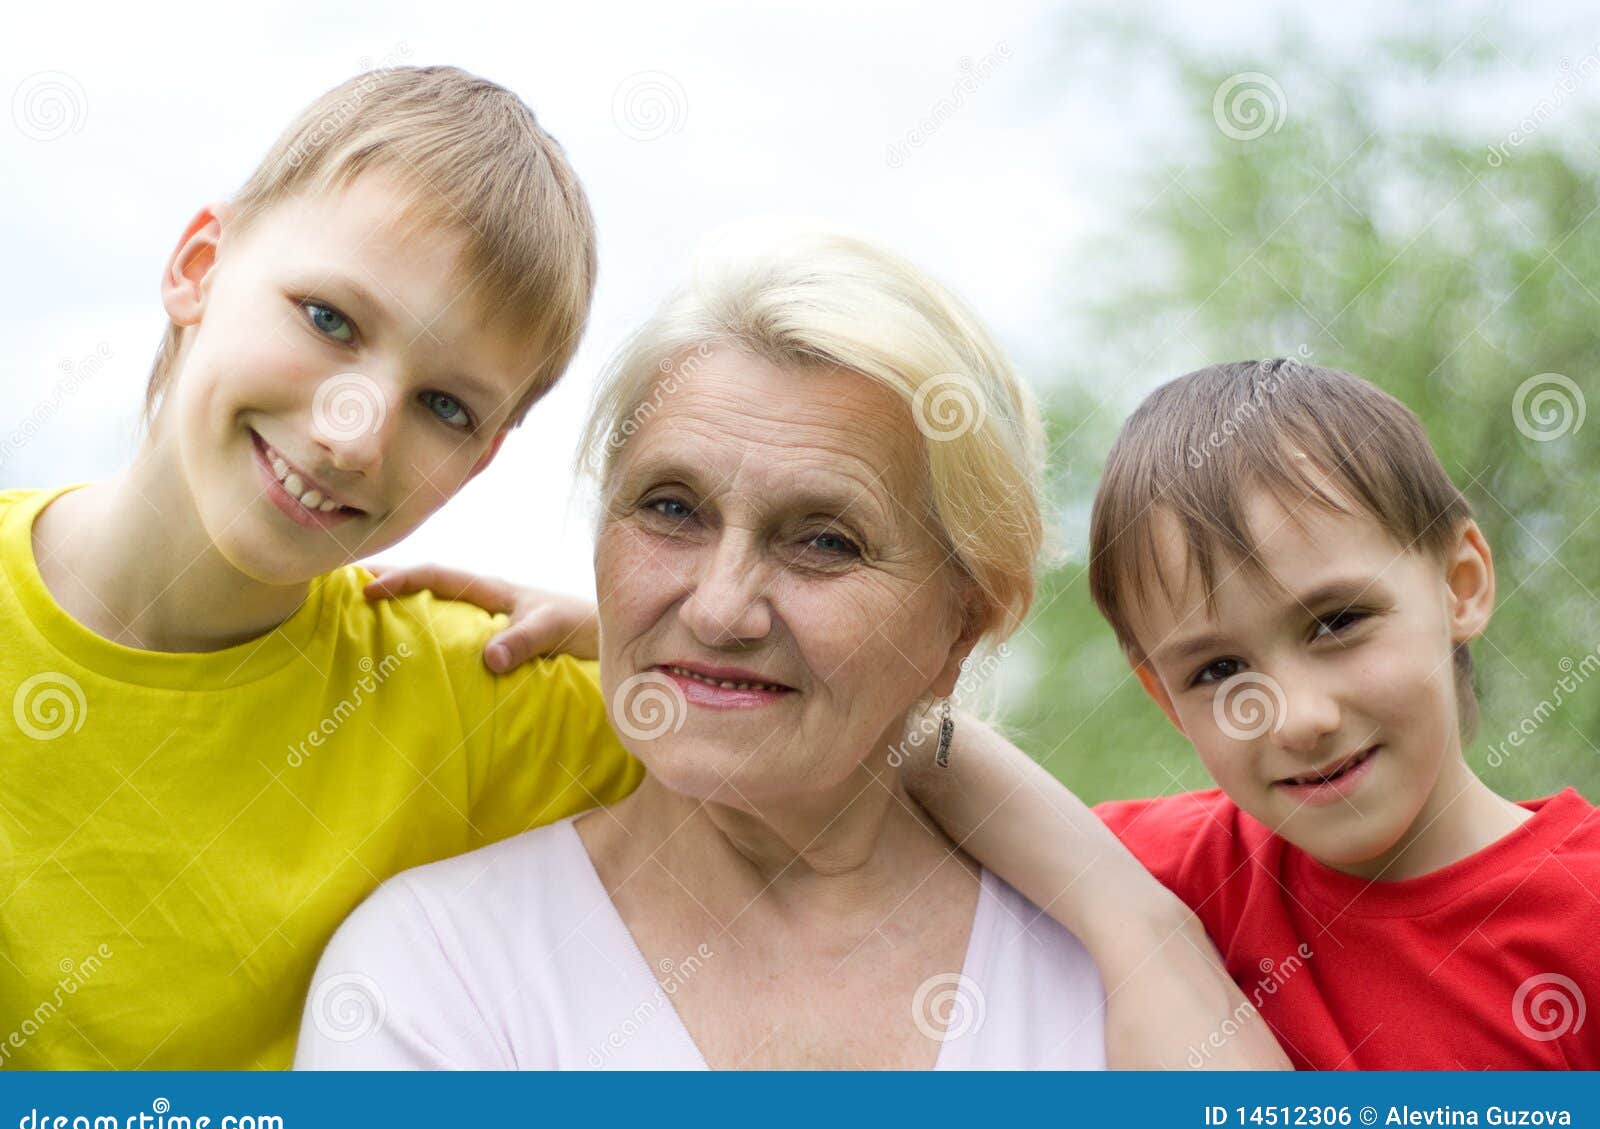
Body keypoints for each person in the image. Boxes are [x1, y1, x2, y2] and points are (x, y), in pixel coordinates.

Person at [295, 231, 1291, 1070]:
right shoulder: (436, 970)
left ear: (963, 622)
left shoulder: (1124, 994)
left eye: (825, 541)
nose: (723, 607)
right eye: (670, 509)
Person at [0, 66, 641, 1069]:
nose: (354, 435)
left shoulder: (480, 695)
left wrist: (656, 644)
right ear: (199, 267)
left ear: (480, 462)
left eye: (444, 407)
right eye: (329, 320)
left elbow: (895, 758)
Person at [909, 359, 1600, 1069]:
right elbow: (910, 748)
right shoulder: (1169, 869)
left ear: (1462, 585)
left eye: (1338, 622)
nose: (1297, 718)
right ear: (1165, 700)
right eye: (1218, 671)